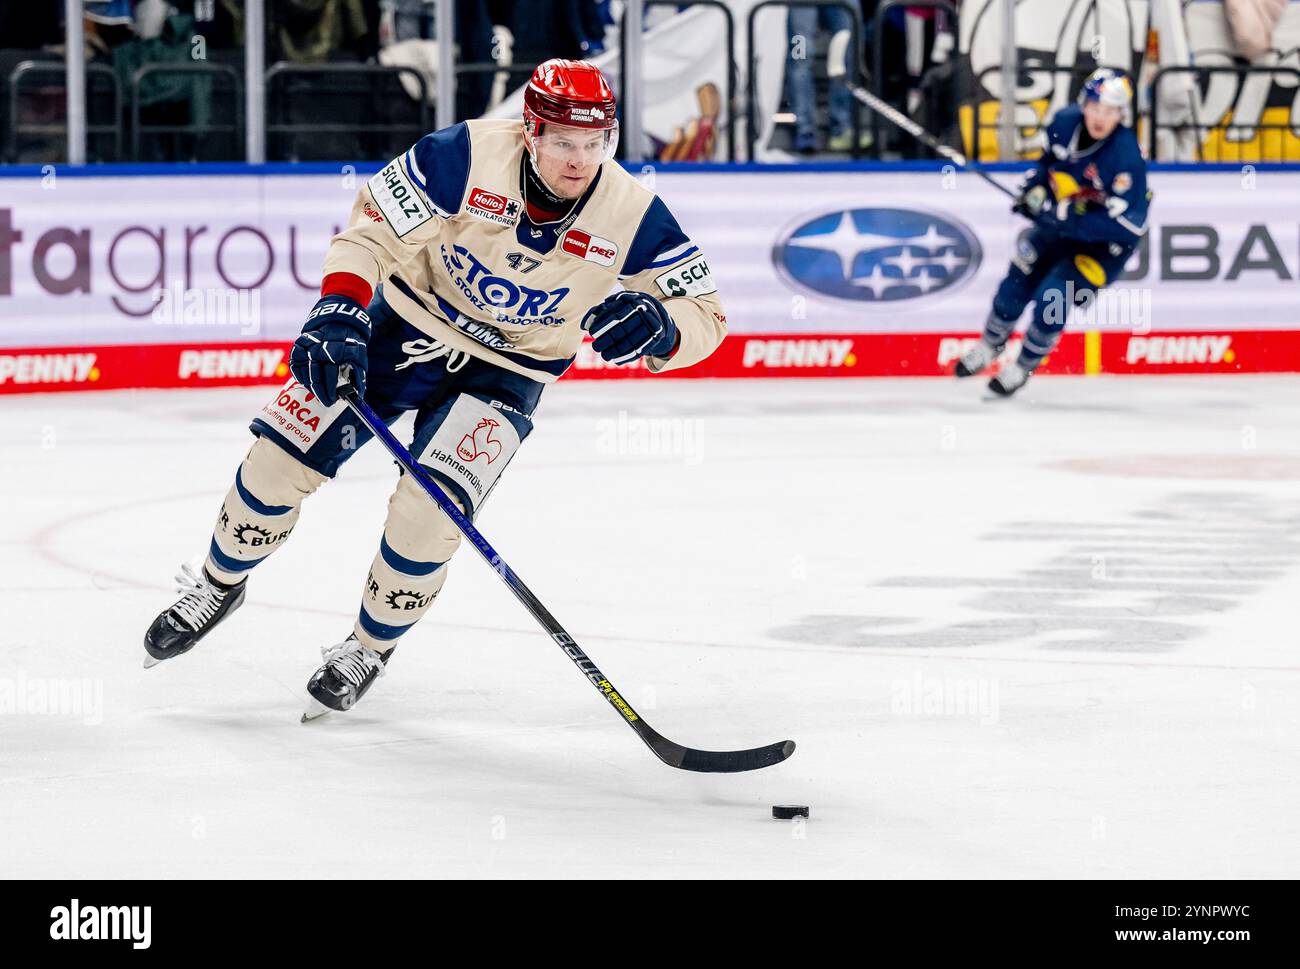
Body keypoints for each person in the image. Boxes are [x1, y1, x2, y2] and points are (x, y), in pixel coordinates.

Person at [142, 58, 727, 719]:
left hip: (510, 369)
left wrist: (661, 325)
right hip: (404, 325)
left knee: (432, 512)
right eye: (563, 142)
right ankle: (218, 586)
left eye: (595, 144)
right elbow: (372, 230)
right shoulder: (465, 153)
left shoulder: (633, 213)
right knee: (279, 458)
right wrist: (339, 305)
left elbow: (706, 317)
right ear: (530, 132)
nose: (579, 161)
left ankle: (366, 647)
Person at [955, 68, 1151, 396]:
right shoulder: (1065, 123)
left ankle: (1022, 367)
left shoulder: (1126, 156)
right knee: (1017, 280)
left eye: (1111, 112)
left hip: (1105, 248)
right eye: (1096, 107)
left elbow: (1130, 224)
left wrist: (1067, 221)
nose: (1101, 118)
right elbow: (1048, 166)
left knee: (1053, 298)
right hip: (1061, 227)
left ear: (1121, 115)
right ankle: (990, 346)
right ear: (1084, 103)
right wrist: (1033, 192)